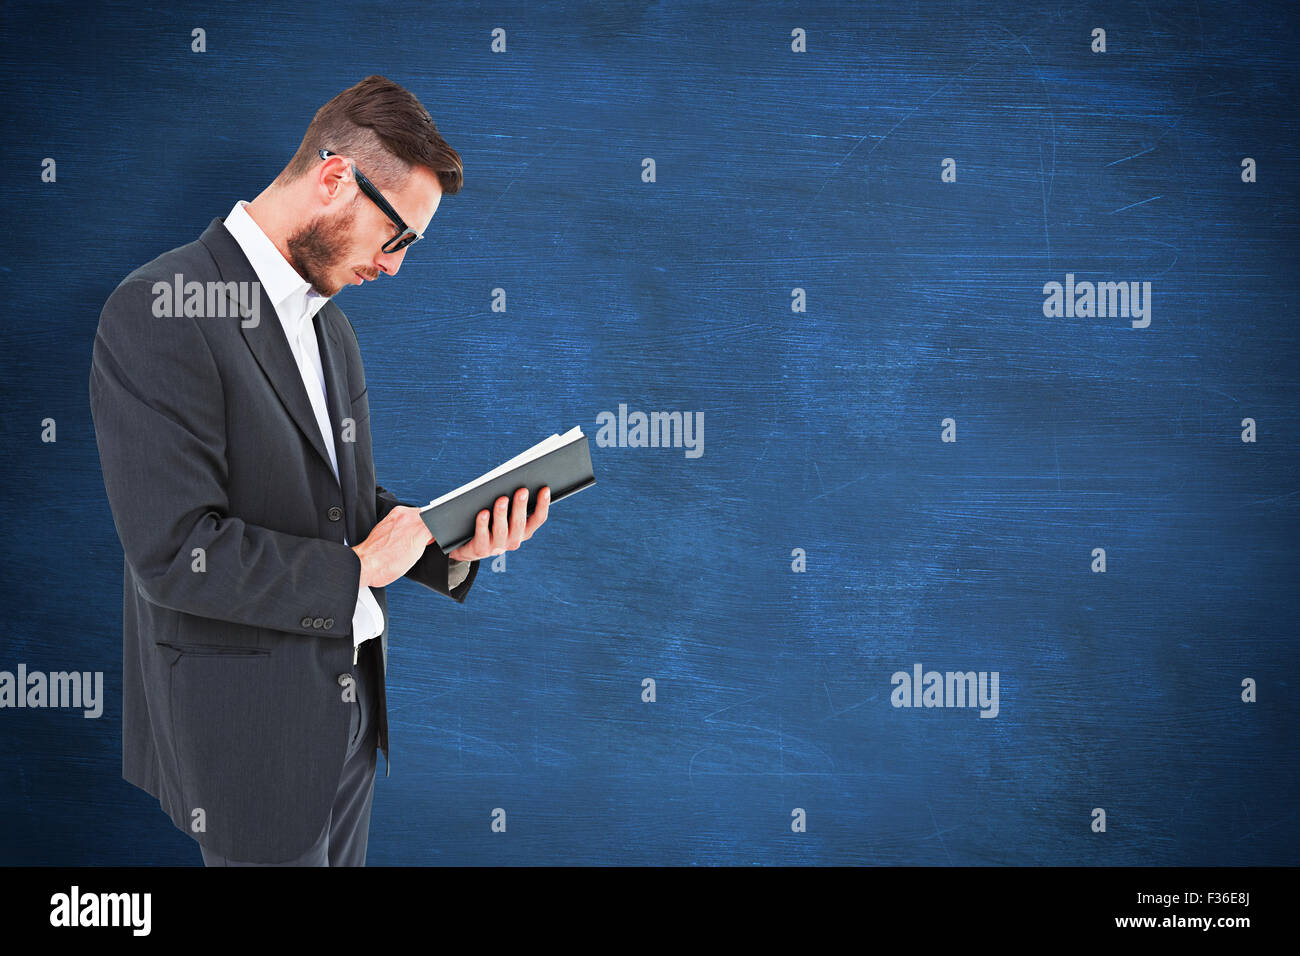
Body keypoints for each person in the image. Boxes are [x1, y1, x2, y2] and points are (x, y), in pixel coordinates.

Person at [88, 75, 550, 866]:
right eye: (396, 235)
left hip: (349, 720)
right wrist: (355, 573)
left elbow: (338, 501)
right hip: (248, 745)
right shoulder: (159, 308)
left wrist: (448, 544)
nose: (396, 267)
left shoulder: (329, 328)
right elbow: (173, 552)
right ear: (337, 177)